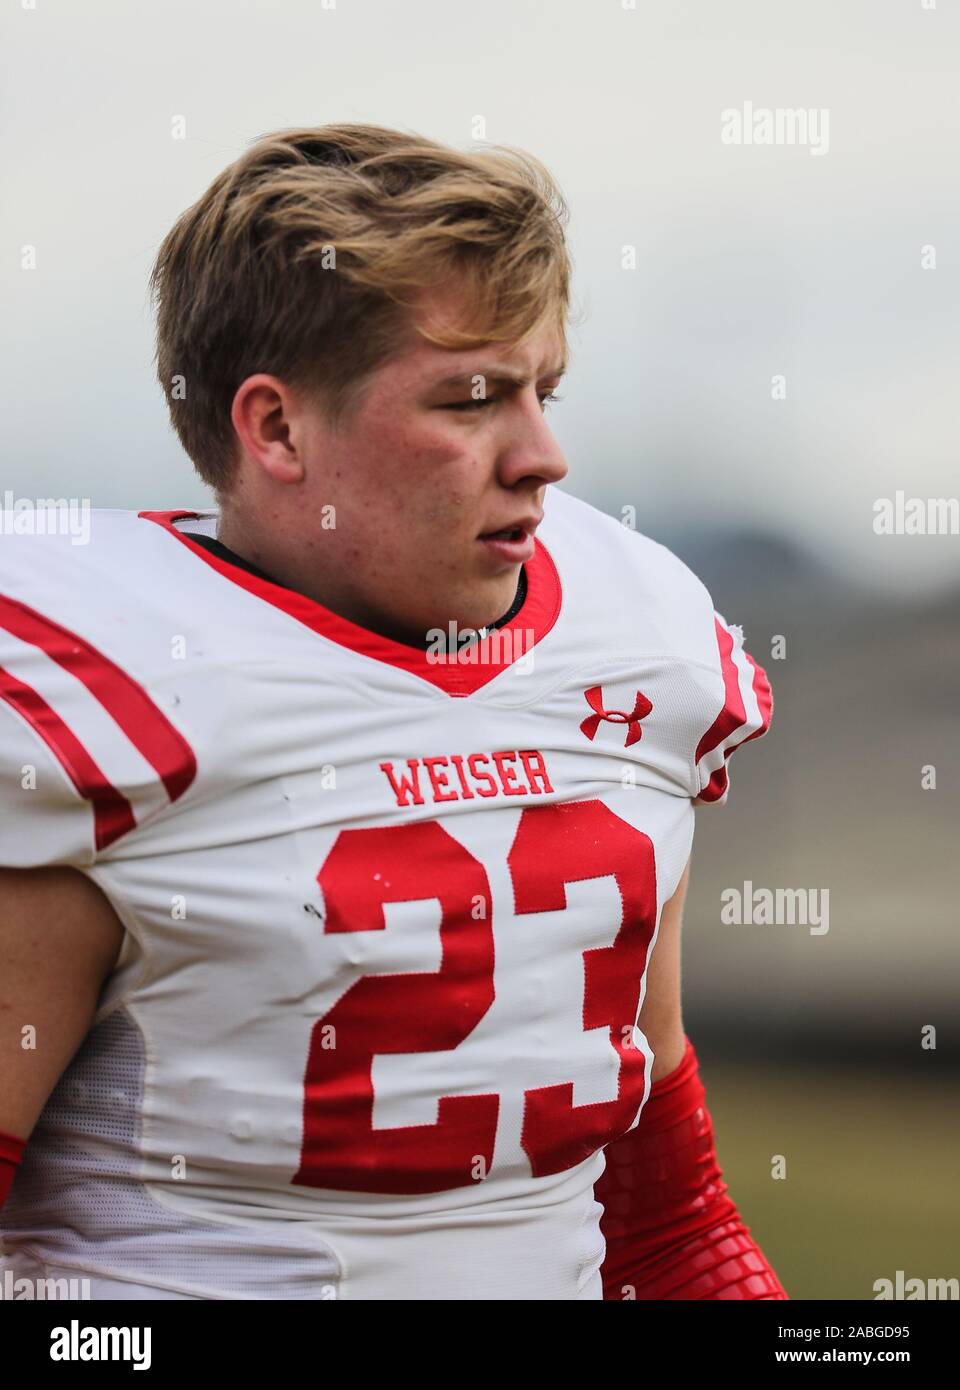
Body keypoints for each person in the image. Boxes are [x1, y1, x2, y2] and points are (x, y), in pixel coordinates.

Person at [0, 124, 785, 1300]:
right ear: (275, 428)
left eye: (543, 389)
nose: (543, 455)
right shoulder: (111, 705)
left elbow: (666, 1218)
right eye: (471, 400)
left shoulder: (632, 653)